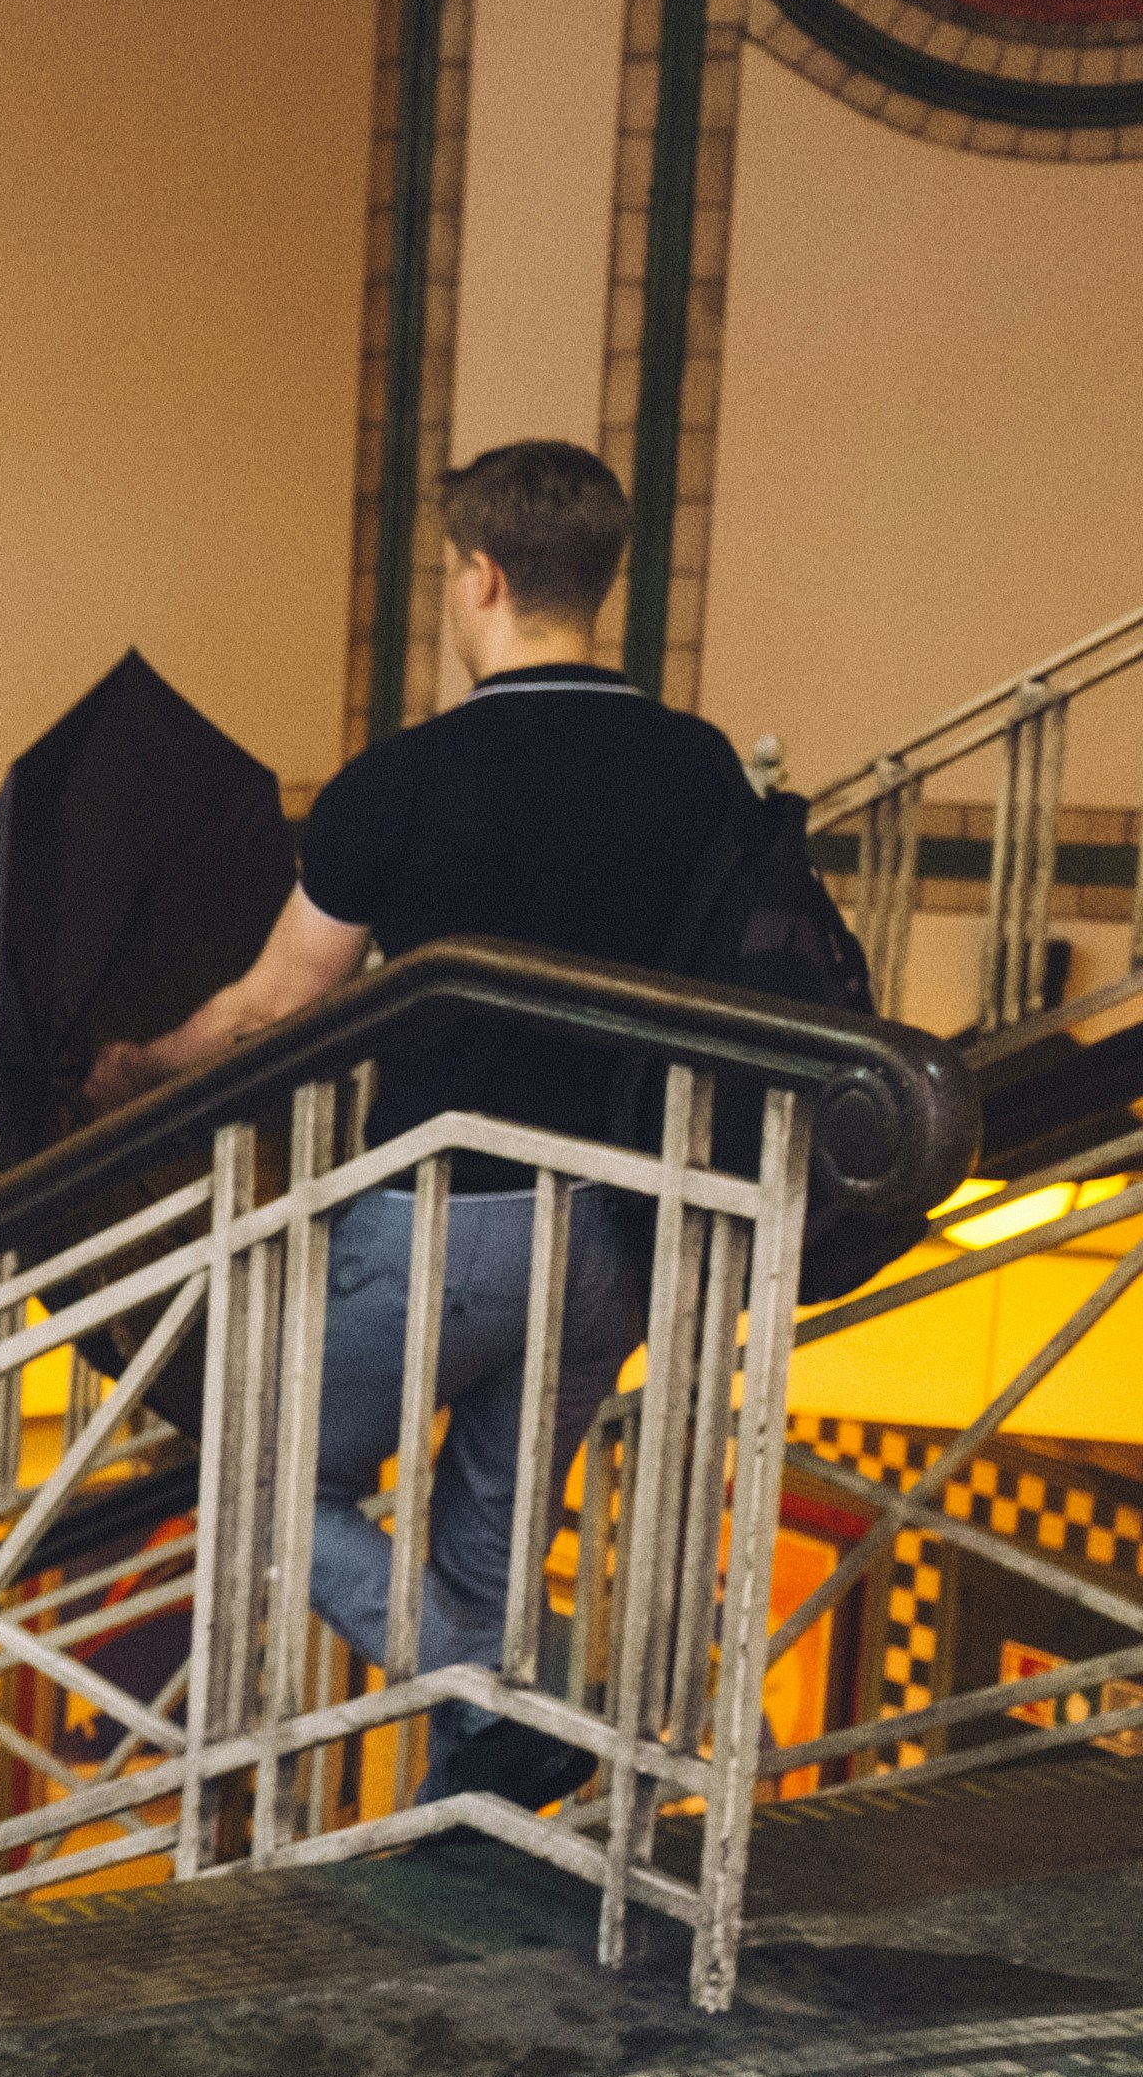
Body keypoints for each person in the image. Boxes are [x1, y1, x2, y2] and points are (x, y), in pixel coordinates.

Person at [85, 439, 752, 1811]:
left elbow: (276, 1004)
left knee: (263, 1475)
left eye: (452, 571)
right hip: (627, 1219)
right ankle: (480, 1815)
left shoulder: (404, 777)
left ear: (482, 575)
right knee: (491, 1549)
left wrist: (143, 1069)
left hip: (449, 1218)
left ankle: (521, 1699)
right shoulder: (698, 770)